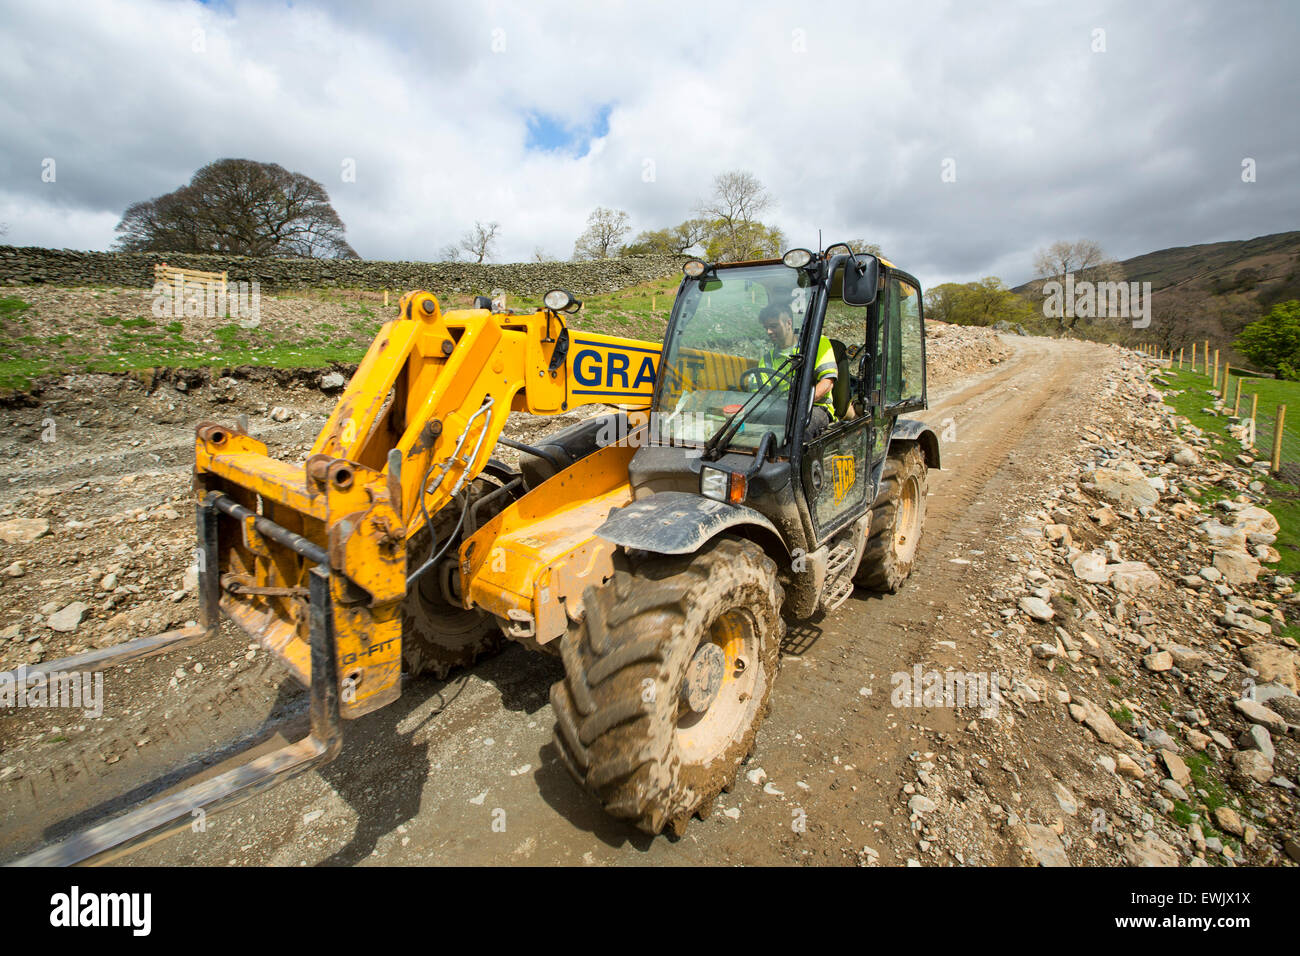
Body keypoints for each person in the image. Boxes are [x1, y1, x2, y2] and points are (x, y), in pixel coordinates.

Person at [756, 303, 837, 440]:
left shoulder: (817, 344)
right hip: (782, 409)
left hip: (815, 407)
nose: (769, 331)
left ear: (788, 323)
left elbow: (827, 382)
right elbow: (763, 395)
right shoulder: (767, 360)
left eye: (773, 326)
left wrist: (802, 403)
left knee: (799, 430)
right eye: (766, 327)